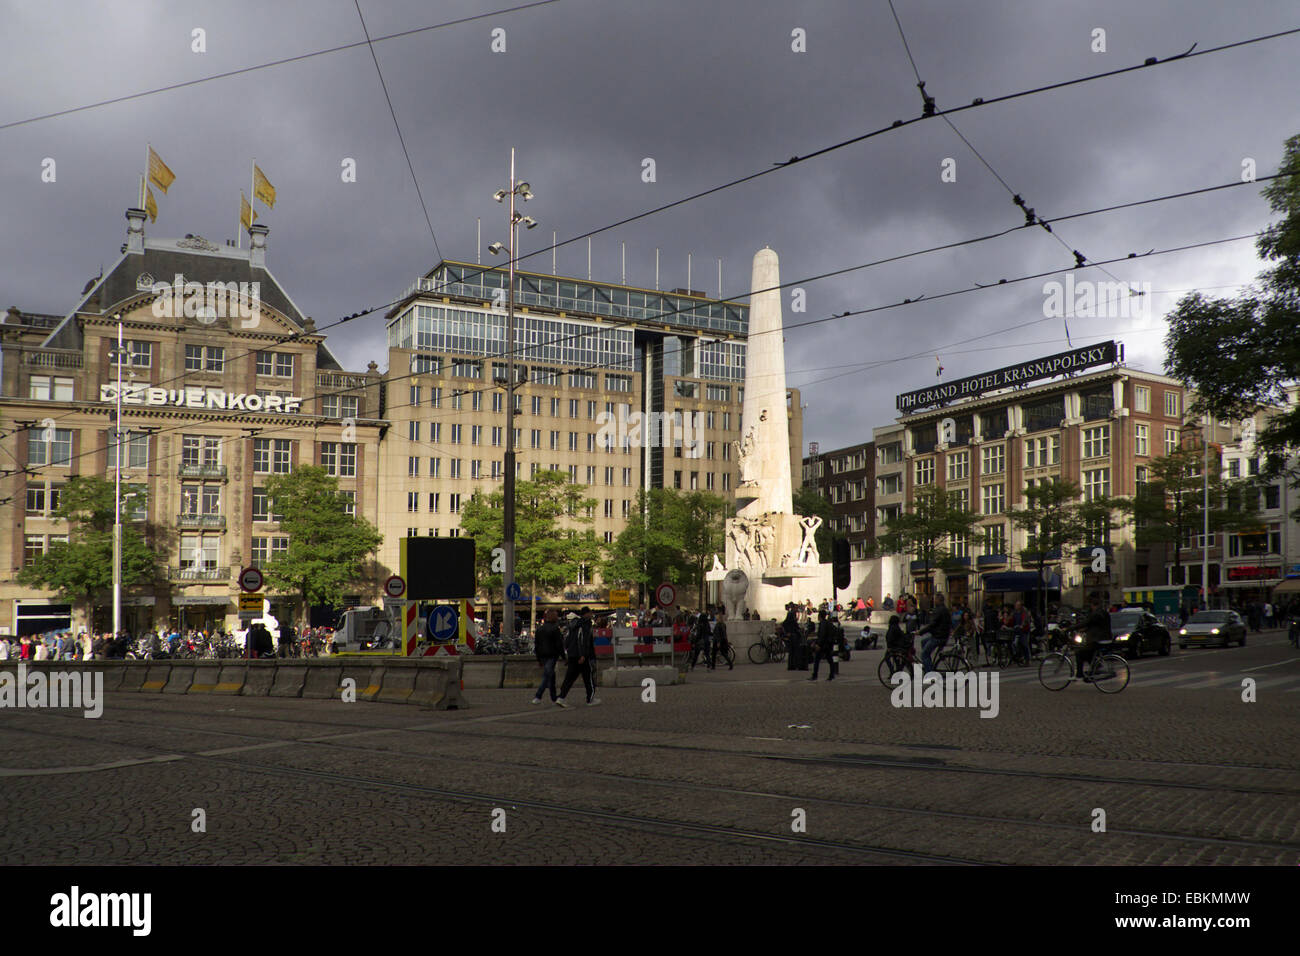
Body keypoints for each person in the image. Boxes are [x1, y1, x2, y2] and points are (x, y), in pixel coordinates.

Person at [556, 607, 600, 707]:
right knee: (588, 678)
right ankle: (590, 699)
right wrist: (583, 654)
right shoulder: (585, 624)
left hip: (572, 655)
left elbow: (567, 640)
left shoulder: (573, 625)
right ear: (587, 614)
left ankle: (561, 697)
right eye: (590, 613)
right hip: (582, 656)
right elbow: (583, 641)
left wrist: (569, 653)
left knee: (569, 678)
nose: (592, 614)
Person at [531, 609, 564, 704]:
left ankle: (553, 697)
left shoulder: (540, 629)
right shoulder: (555, 629)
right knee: (547, 675)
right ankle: (538, 695)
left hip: (543, 656)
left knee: (551, 675)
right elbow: (559, 644)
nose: (557, 617)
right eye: (556, 616)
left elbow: (537, 645)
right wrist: (563, 656)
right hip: (552, 655)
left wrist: (538, 659)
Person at [1078, 593, 1111, 682]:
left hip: (1098, 640)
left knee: (1079, 652)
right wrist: (1085, 630)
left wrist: (1069, 629)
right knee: (1089, 653)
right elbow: (1095, 625)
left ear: (1093, 605)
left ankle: (1079, 674)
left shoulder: (1096, 614)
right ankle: (1094, 668)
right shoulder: (1104, 613)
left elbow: (1086, 622)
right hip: (1106, 639)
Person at [917, 593, 950, 674]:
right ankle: (928, 664)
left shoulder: (938, 610)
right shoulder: (945, 609)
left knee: (924, 654)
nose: (934, 600)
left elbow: (932, 625)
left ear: (939, 600)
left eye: (935, 599)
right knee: (923, 642)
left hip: (938, 637)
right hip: (943, 635)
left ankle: (930, 674)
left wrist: (920, 632)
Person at [809, 609, 838, 681]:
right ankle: (831, 674)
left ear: (819, 616)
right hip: (828, 644)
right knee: (830, 660)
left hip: (823, 645)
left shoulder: (823, 624)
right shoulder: (828, 623)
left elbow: (822, 635)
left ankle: (815, 675)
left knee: (817, 660)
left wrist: (818, 644)